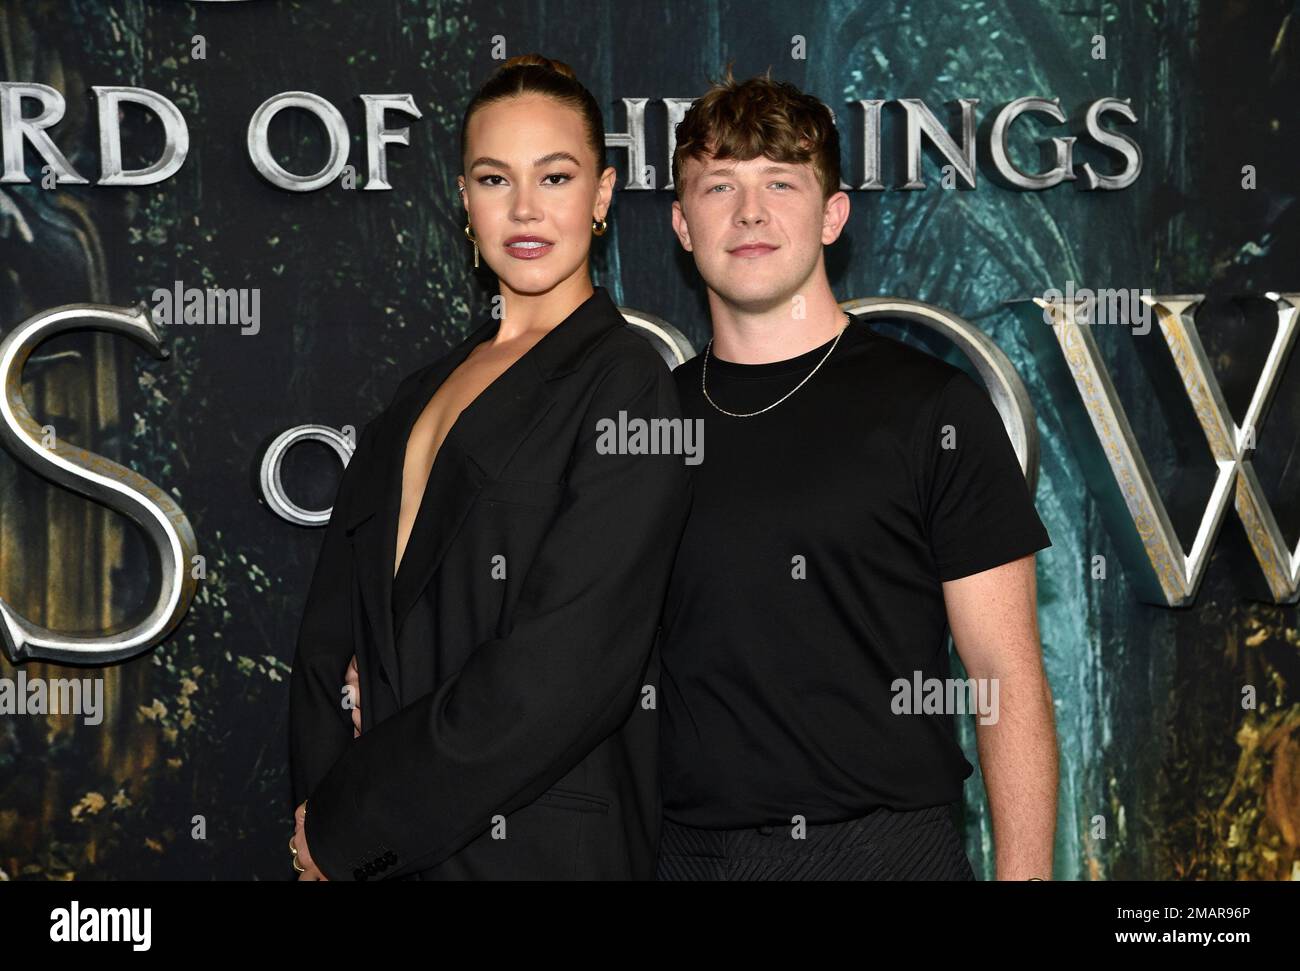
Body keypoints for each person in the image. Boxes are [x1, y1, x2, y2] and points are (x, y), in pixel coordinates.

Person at [287, 54, 690, 880]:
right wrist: (320, 808)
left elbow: (565, 672)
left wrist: (350, 824)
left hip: (535, 848)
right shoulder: (415, 393)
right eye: (494, 177)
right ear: (465, 202)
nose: (526, 208)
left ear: (603, 196)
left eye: (556, 175)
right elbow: (331, 644)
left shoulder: (627, 383)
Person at [656, 65, 1058, 880]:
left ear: (833, 214)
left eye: (782, 183)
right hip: (685, 855)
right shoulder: (640, 426)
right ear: (682, 224)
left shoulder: (934, 408)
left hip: (884, 852)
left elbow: (1003, 677)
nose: (751, 213)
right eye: (719, 187)